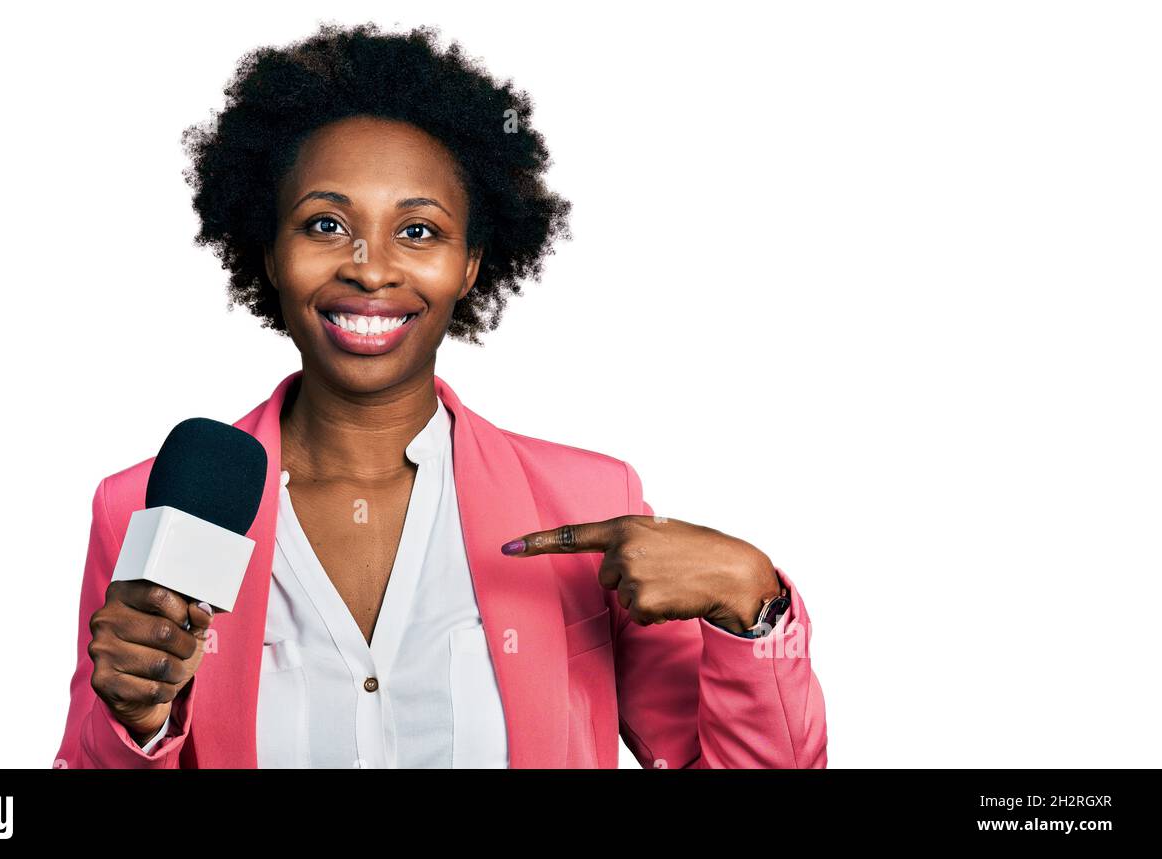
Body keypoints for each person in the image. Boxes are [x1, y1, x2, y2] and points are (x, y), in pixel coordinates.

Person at [53, 22, 826, 769]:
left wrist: (753, 602)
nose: (370, 267)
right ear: (270, 251)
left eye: (417, 232)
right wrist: (135, 725)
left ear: (470, 265)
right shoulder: (148, 507)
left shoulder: (585, 502)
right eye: (325, 223)